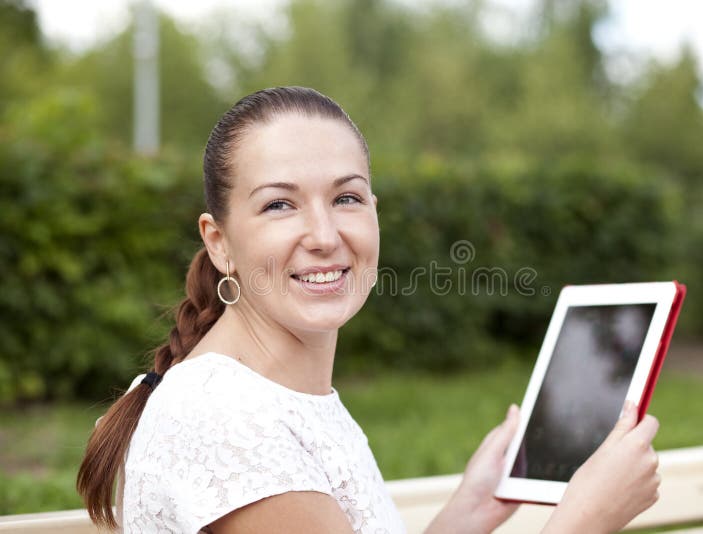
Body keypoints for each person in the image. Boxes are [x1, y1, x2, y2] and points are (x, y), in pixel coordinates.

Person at [77, 86, 660, 533]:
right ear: (219, 241)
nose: (325, 234)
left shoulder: (277, 397)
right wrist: (584, 519)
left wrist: (471, 509)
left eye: (346, 198)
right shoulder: (228, 424)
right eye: (280, 204)